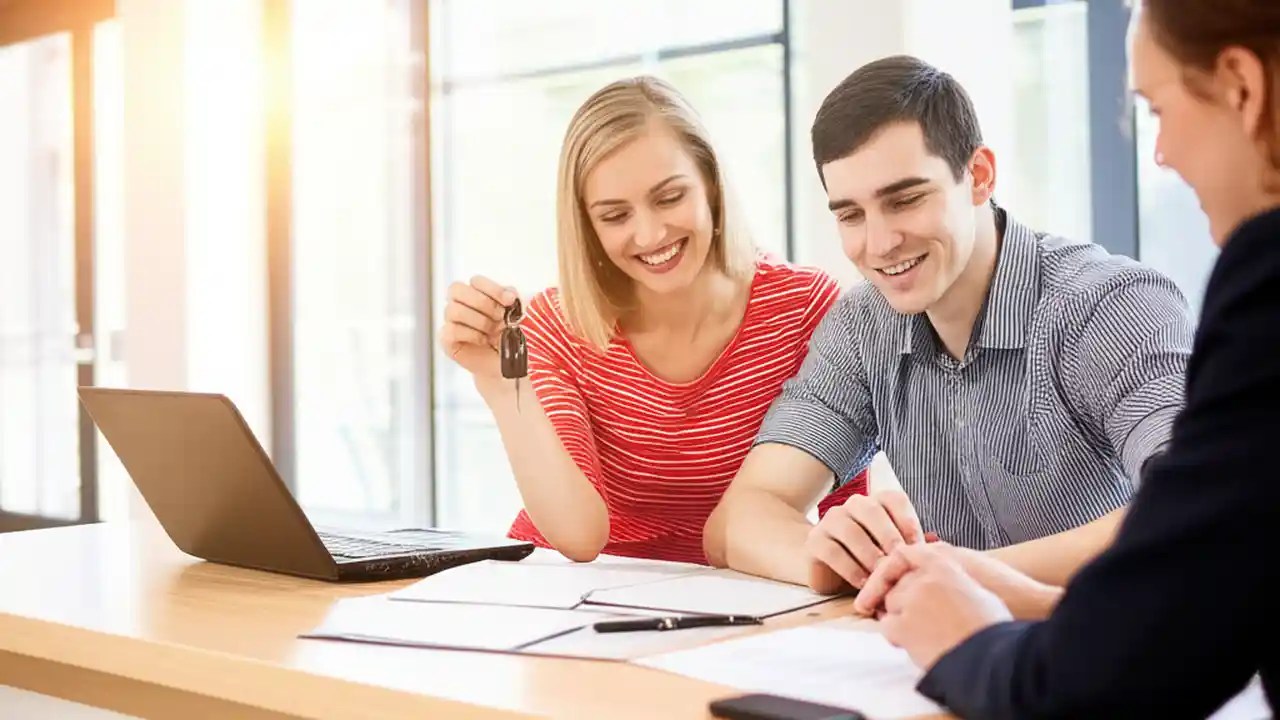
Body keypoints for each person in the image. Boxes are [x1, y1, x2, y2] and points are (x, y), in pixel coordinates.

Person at [853, 1, 1280, 716]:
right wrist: (1044, 603)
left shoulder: (1249, 283)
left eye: (1157, 110)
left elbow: (1118, 678)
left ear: (1242, 85)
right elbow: (1214, 596)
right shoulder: (862, 321)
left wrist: (968, 641)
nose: (1161, 154)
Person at [703, 54, 1194, 594]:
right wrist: (836, 561)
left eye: (905, 200)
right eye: (850, 215)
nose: (879, 244)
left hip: (1130, 632)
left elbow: (1196, 503)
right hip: (957, 634)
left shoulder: (1109, 306)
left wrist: (958, 575)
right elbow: (735, 523)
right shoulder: (863, 328)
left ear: (979, 176)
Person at [438, 76, 854, 564]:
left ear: (710, 185)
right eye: (615, 216)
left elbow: (848, 509)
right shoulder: (556, 325)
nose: (651, 234)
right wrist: (498, 380)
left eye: (669, 197)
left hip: (742, 586)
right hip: (569, 583)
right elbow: (579, 537)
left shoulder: (803, 308)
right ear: (587, 226)